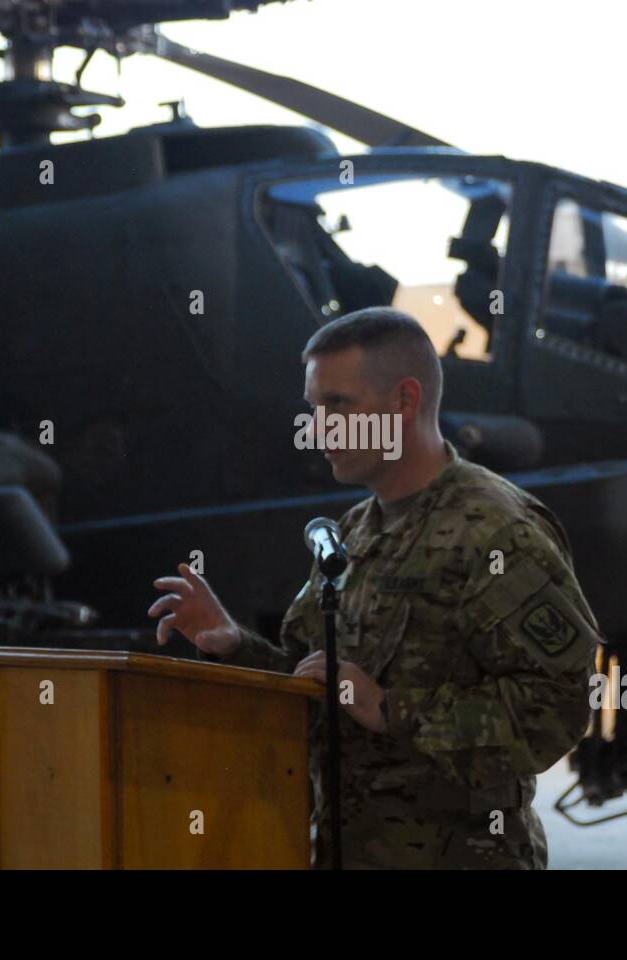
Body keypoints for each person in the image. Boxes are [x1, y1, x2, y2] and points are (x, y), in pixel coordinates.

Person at [148, 306, 601, 868]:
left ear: (404, 401)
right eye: (314, 408)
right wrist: (235, 644)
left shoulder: (496, 532)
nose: (317, 428)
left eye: (338, 405)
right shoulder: (354, 532)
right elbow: (319, 683)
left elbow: (559, 707)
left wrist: (391, 708)